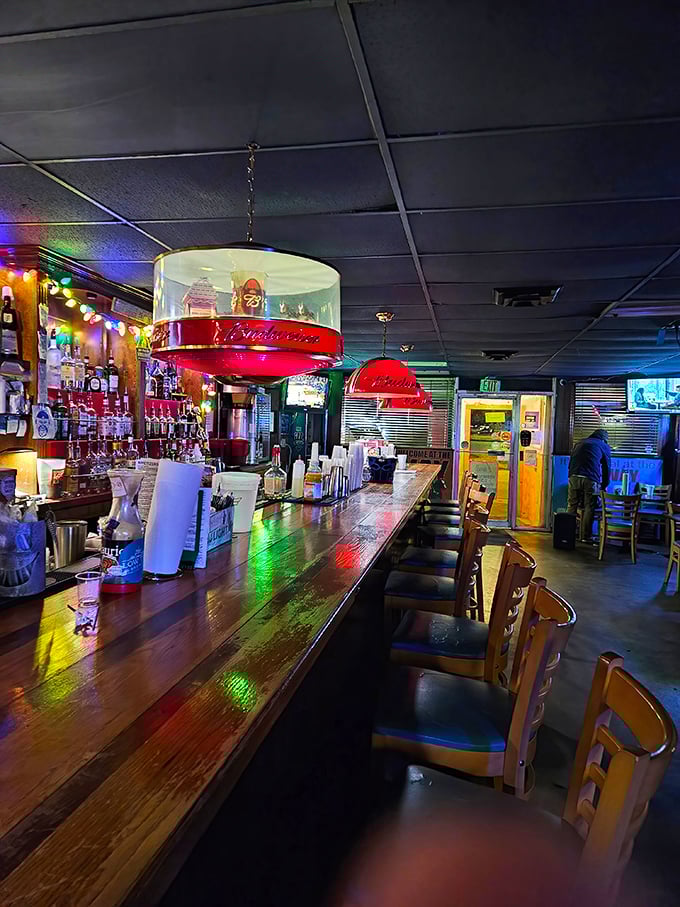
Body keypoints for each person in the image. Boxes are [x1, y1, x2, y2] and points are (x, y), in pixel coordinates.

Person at [567, 429, 611, 541]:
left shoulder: (580, 442)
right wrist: (604, 484)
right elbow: (606, 467)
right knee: (589, 507)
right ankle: (586, 536)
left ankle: (568, 533)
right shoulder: (602, 445)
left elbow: (571, 460)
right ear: (604, 439)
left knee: (572, 504)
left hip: (573, 475)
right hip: (590, 478)